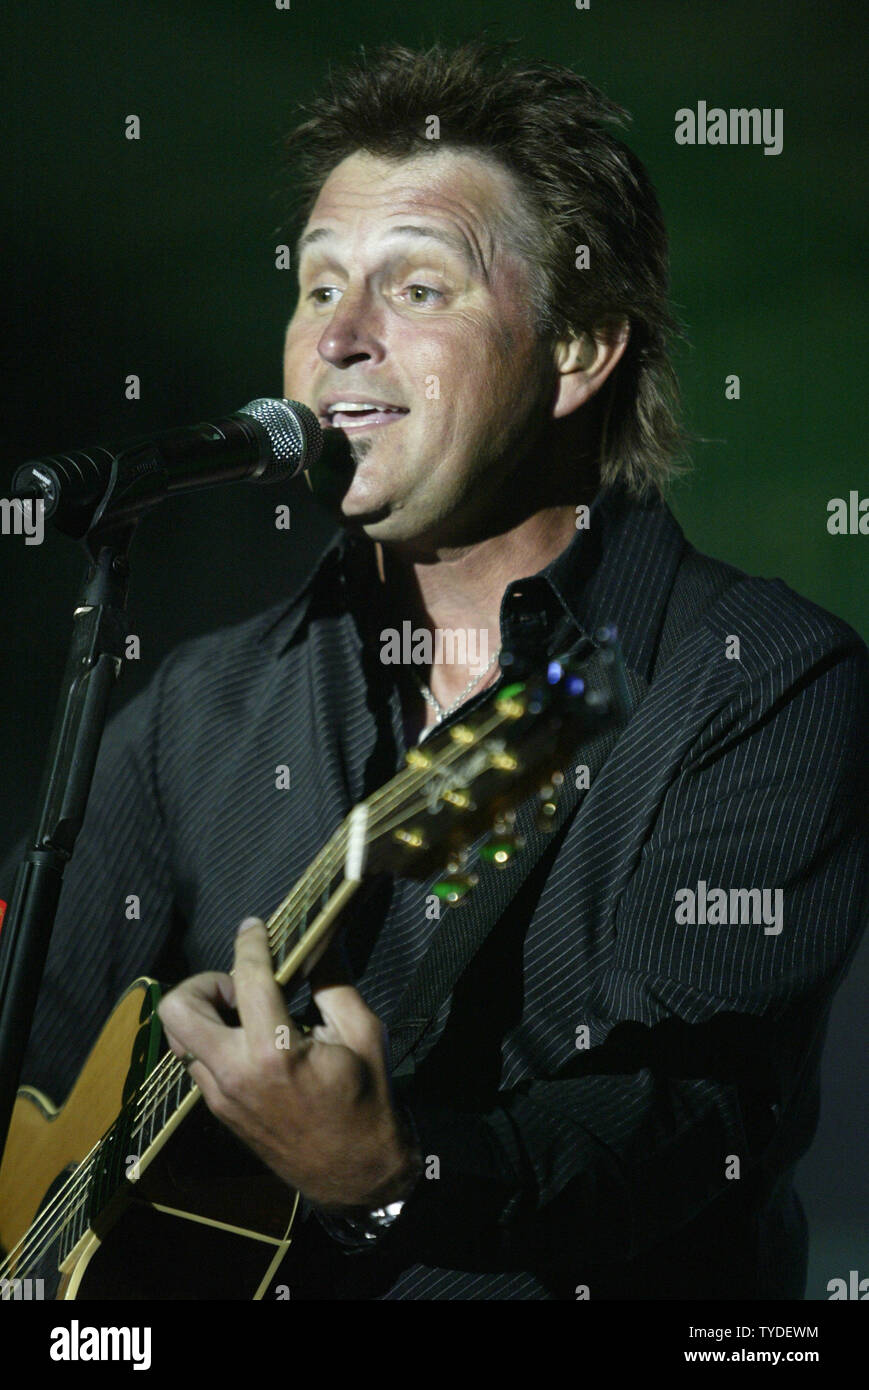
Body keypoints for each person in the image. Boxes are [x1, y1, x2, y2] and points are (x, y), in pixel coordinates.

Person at [5, 40, 868, 1300]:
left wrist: (394, 1174)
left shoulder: (757, 679)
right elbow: (36, 1043)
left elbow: (691, 1117)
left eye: (414, 290)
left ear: (576, 351)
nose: (339, 338)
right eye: (314, 289)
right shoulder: (200, 705)